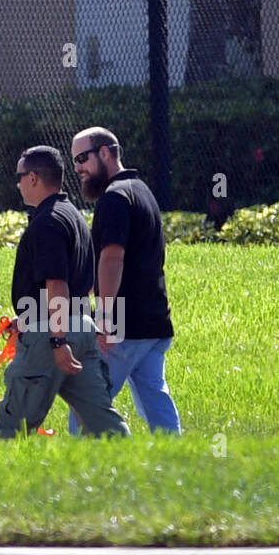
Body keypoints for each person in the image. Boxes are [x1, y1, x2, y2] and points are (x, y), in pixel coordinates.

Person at [0, 145, 130, 440]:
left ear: (32, 178)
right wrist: (27, 320)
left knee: (12, 428)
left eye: (19, 177)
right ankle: (140, 475)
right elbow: (82, 284)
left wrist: (57, 340)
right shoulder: (75, 217)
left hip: (53, 336)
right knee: (104, 426)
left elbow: (56, 285)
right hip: (82, 328)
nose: (17, 184)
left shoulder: (48, 223)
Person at [69, 125, 181, 434]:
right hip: (154, 321)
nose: (78, 167)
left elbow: (113, 258)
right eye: (74, 160)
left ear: (105, 152)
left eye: (82, 158)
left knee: (86, 403)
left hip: (125, 327)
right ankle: (178, 461)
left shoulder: (114, 198)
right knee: (155, 401)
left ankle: (82, 473)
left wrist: (105, 316)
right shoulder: (141, 190)